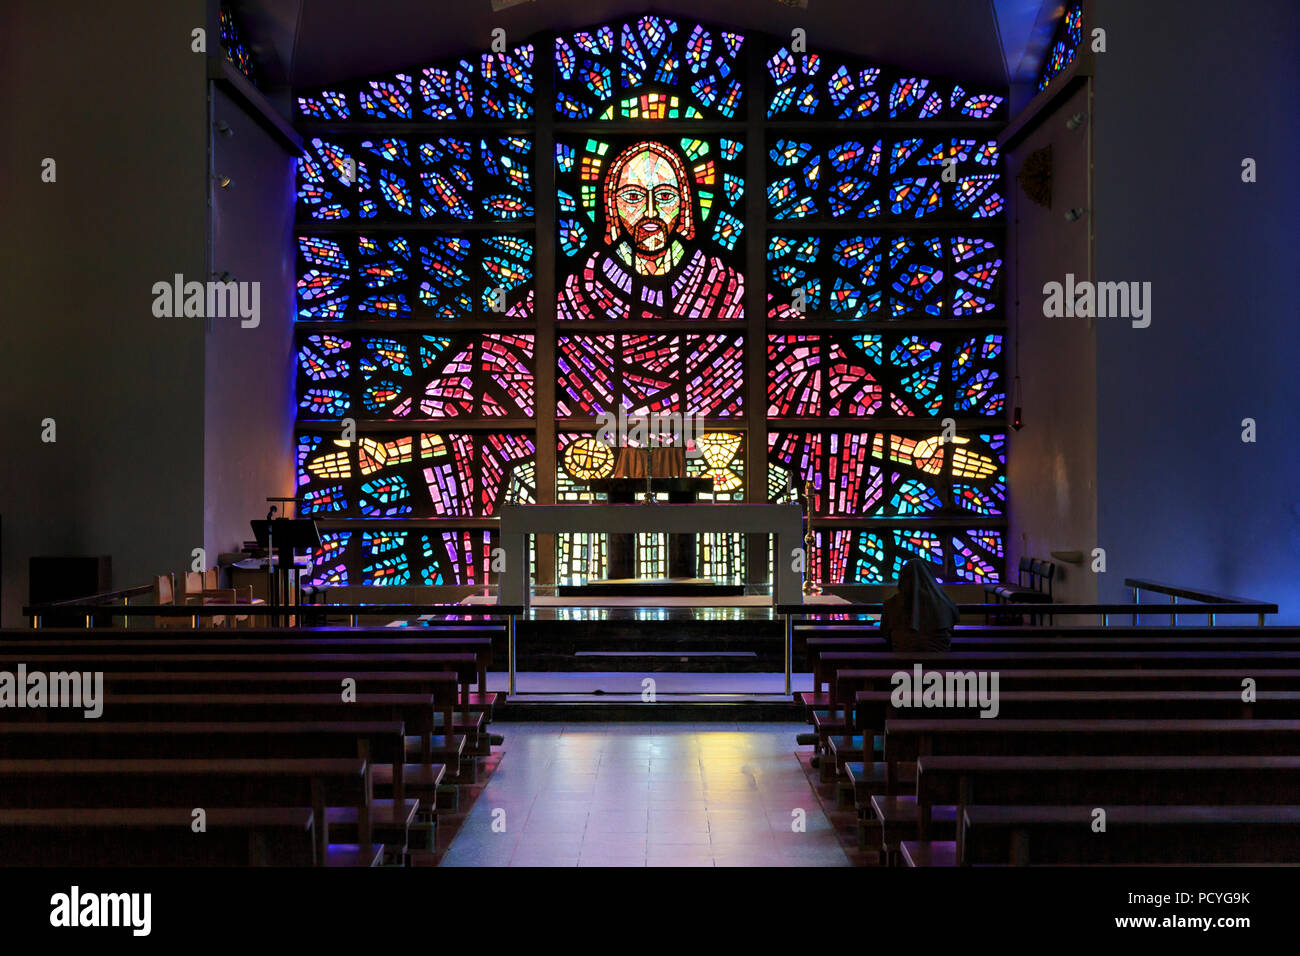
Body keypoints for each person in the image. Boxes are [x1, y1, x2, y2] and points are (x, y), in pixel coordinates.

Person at [557, 140, 744, 321]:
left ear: (685, 204)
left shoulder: (721, 282)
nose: (651, 211)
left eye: (665, 196)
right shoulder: (583, 288)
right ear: (612, 205)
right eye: (632, 197)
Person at [881, 559, 959, 653]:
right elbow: (951, 628)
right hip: (937, 662)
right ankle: (919, 667)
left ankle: (918, 667)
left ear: (902, 578)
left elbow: (885, 634)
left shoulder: (891, 604)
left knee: (917, 664)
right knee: (919, 664)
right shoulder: (943, 602)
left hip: (904, 662)